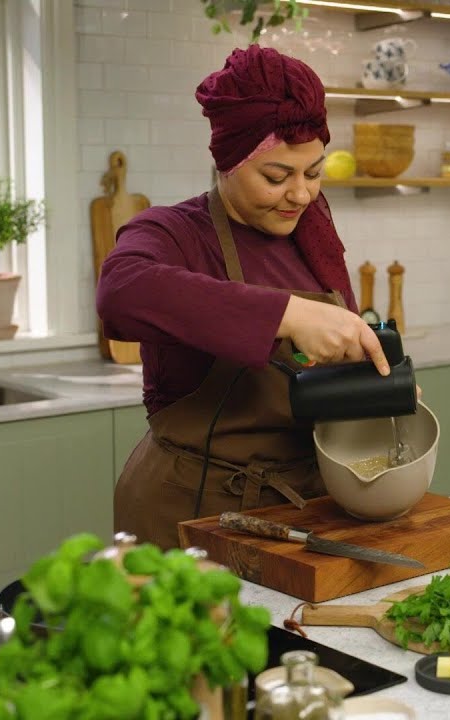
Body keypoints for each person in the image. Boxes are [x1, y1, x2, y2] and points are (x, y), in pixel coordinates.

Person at [98, 45, 390, 549]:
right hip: (190, 513)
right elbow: (120, 292)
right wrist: (286, 313)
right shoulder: (174, 232)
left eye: (314, 173)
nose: (300, 194)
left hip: (304, 508)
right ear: (227, 162)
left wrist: (376, 391)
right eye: (276, 177)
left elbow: (311, 371)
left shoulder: (311, 232)